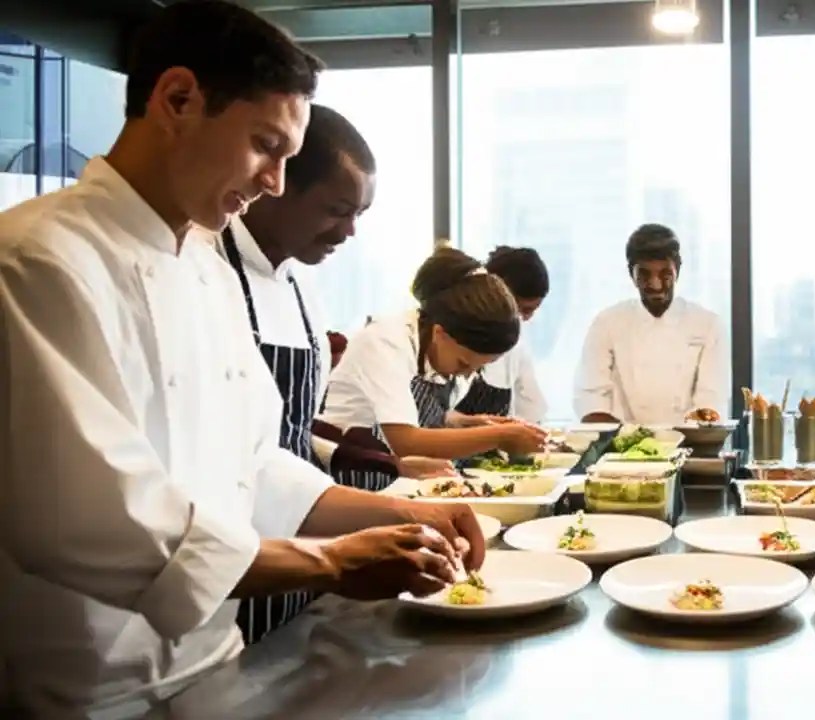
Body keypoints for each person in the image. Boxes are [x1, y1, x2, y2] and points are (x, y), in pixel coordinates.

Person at [0, 2, 484, 715]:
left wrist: (402, 516)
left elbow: (256, 463)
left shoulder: (204, 268)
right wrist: (330, 562)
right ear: (178, 100)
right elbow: (88, 519)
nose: (276, 183)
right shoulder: (38, 259)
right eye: (267, 146)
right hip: (87, 694)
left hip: (215, 668)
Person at [213, 103, 452, 644]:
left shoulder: (301, 290)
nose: (348, 231)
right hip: (226, 559)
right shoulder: (206, 273)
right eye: (336, 210)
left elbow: (294, 436)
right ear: (275, 183)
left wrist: (392, 502)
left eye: (359, 215)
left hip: (306, 541)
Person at [318, 246, 548, 491]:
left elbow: (421, 412)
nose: (467, 375)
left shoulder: (440, 349)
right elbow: (406, 440)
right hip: (349, 481)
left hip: (401, 485)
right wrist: (501, 437)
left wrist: (463, 422)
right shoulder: (385, 342)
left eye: (478, 369)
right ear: (440, 333)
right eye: (464, 364)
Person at [573, 223, 727, 425]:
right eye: (645, 275)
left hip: (689, 445)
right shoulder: (607, 323)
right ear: (632, 275)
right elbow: (591, 397)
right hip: (621, 450)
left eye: (665, 275)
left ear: (677, 271)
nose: (656, 285)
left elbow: (710, 400)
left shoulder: (707, 324)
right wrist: (628, 441)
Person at [452, 245, 550, 423]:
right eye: (523, 310)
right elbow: (431, 417)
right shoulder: (453, 335)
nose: (525, 319)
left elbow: (531, 408)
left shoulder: (516, 345)